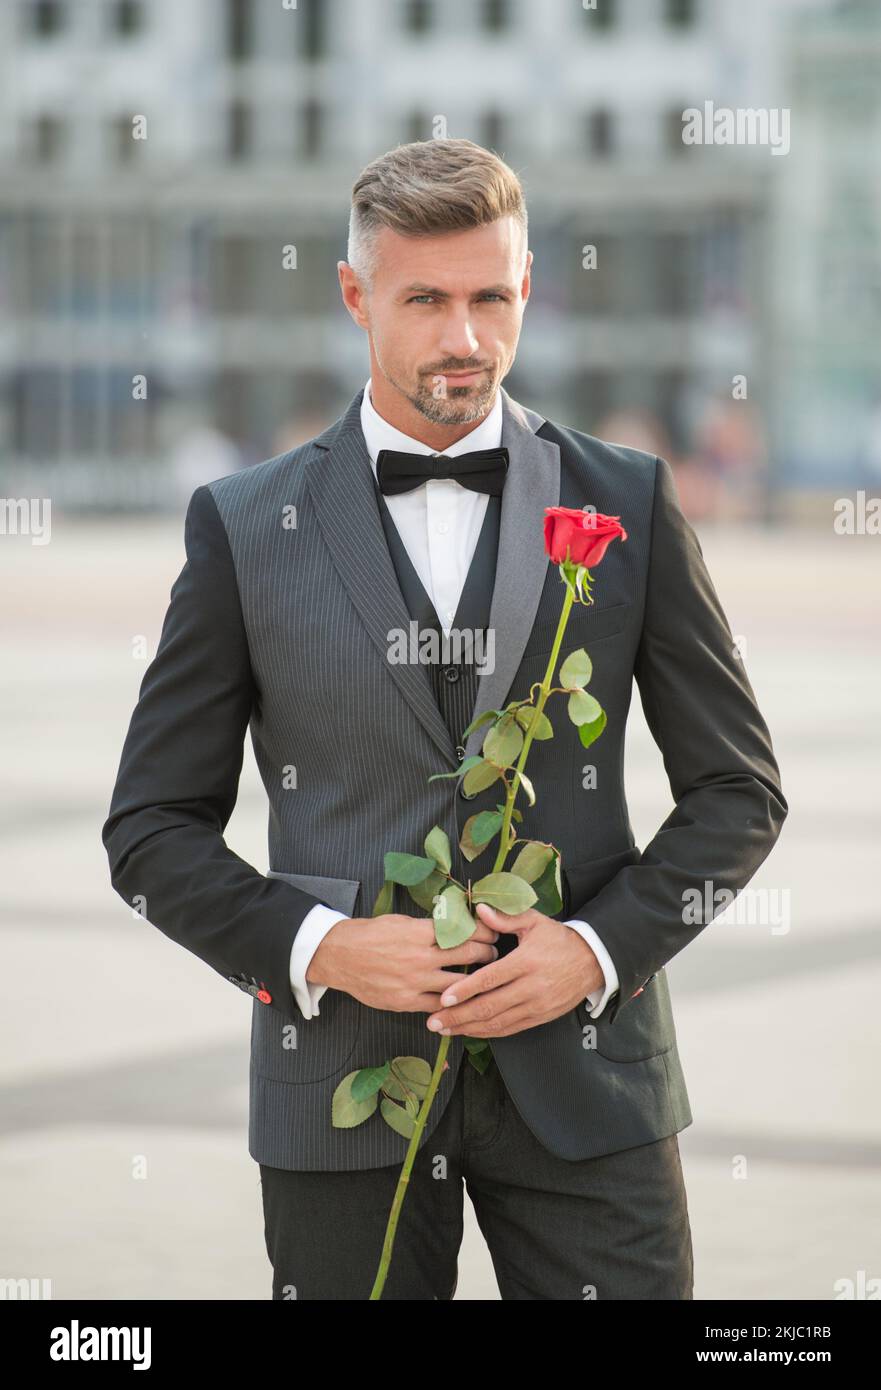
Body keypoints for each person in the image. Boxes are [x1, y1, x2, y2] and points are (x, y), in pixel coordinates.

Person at [102, 138, 787, 1300]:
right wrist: (321, 949)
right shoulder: (239, 524)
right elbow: (150, 830)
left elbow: (739, 791)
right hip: (339, 1093)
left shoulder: (626, 497)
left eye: (488, 296)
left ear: (525, 289)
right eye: (425, 298)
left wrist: (594, 948)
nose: (463, 337)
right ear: (355, 294)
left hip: (590, 1084)